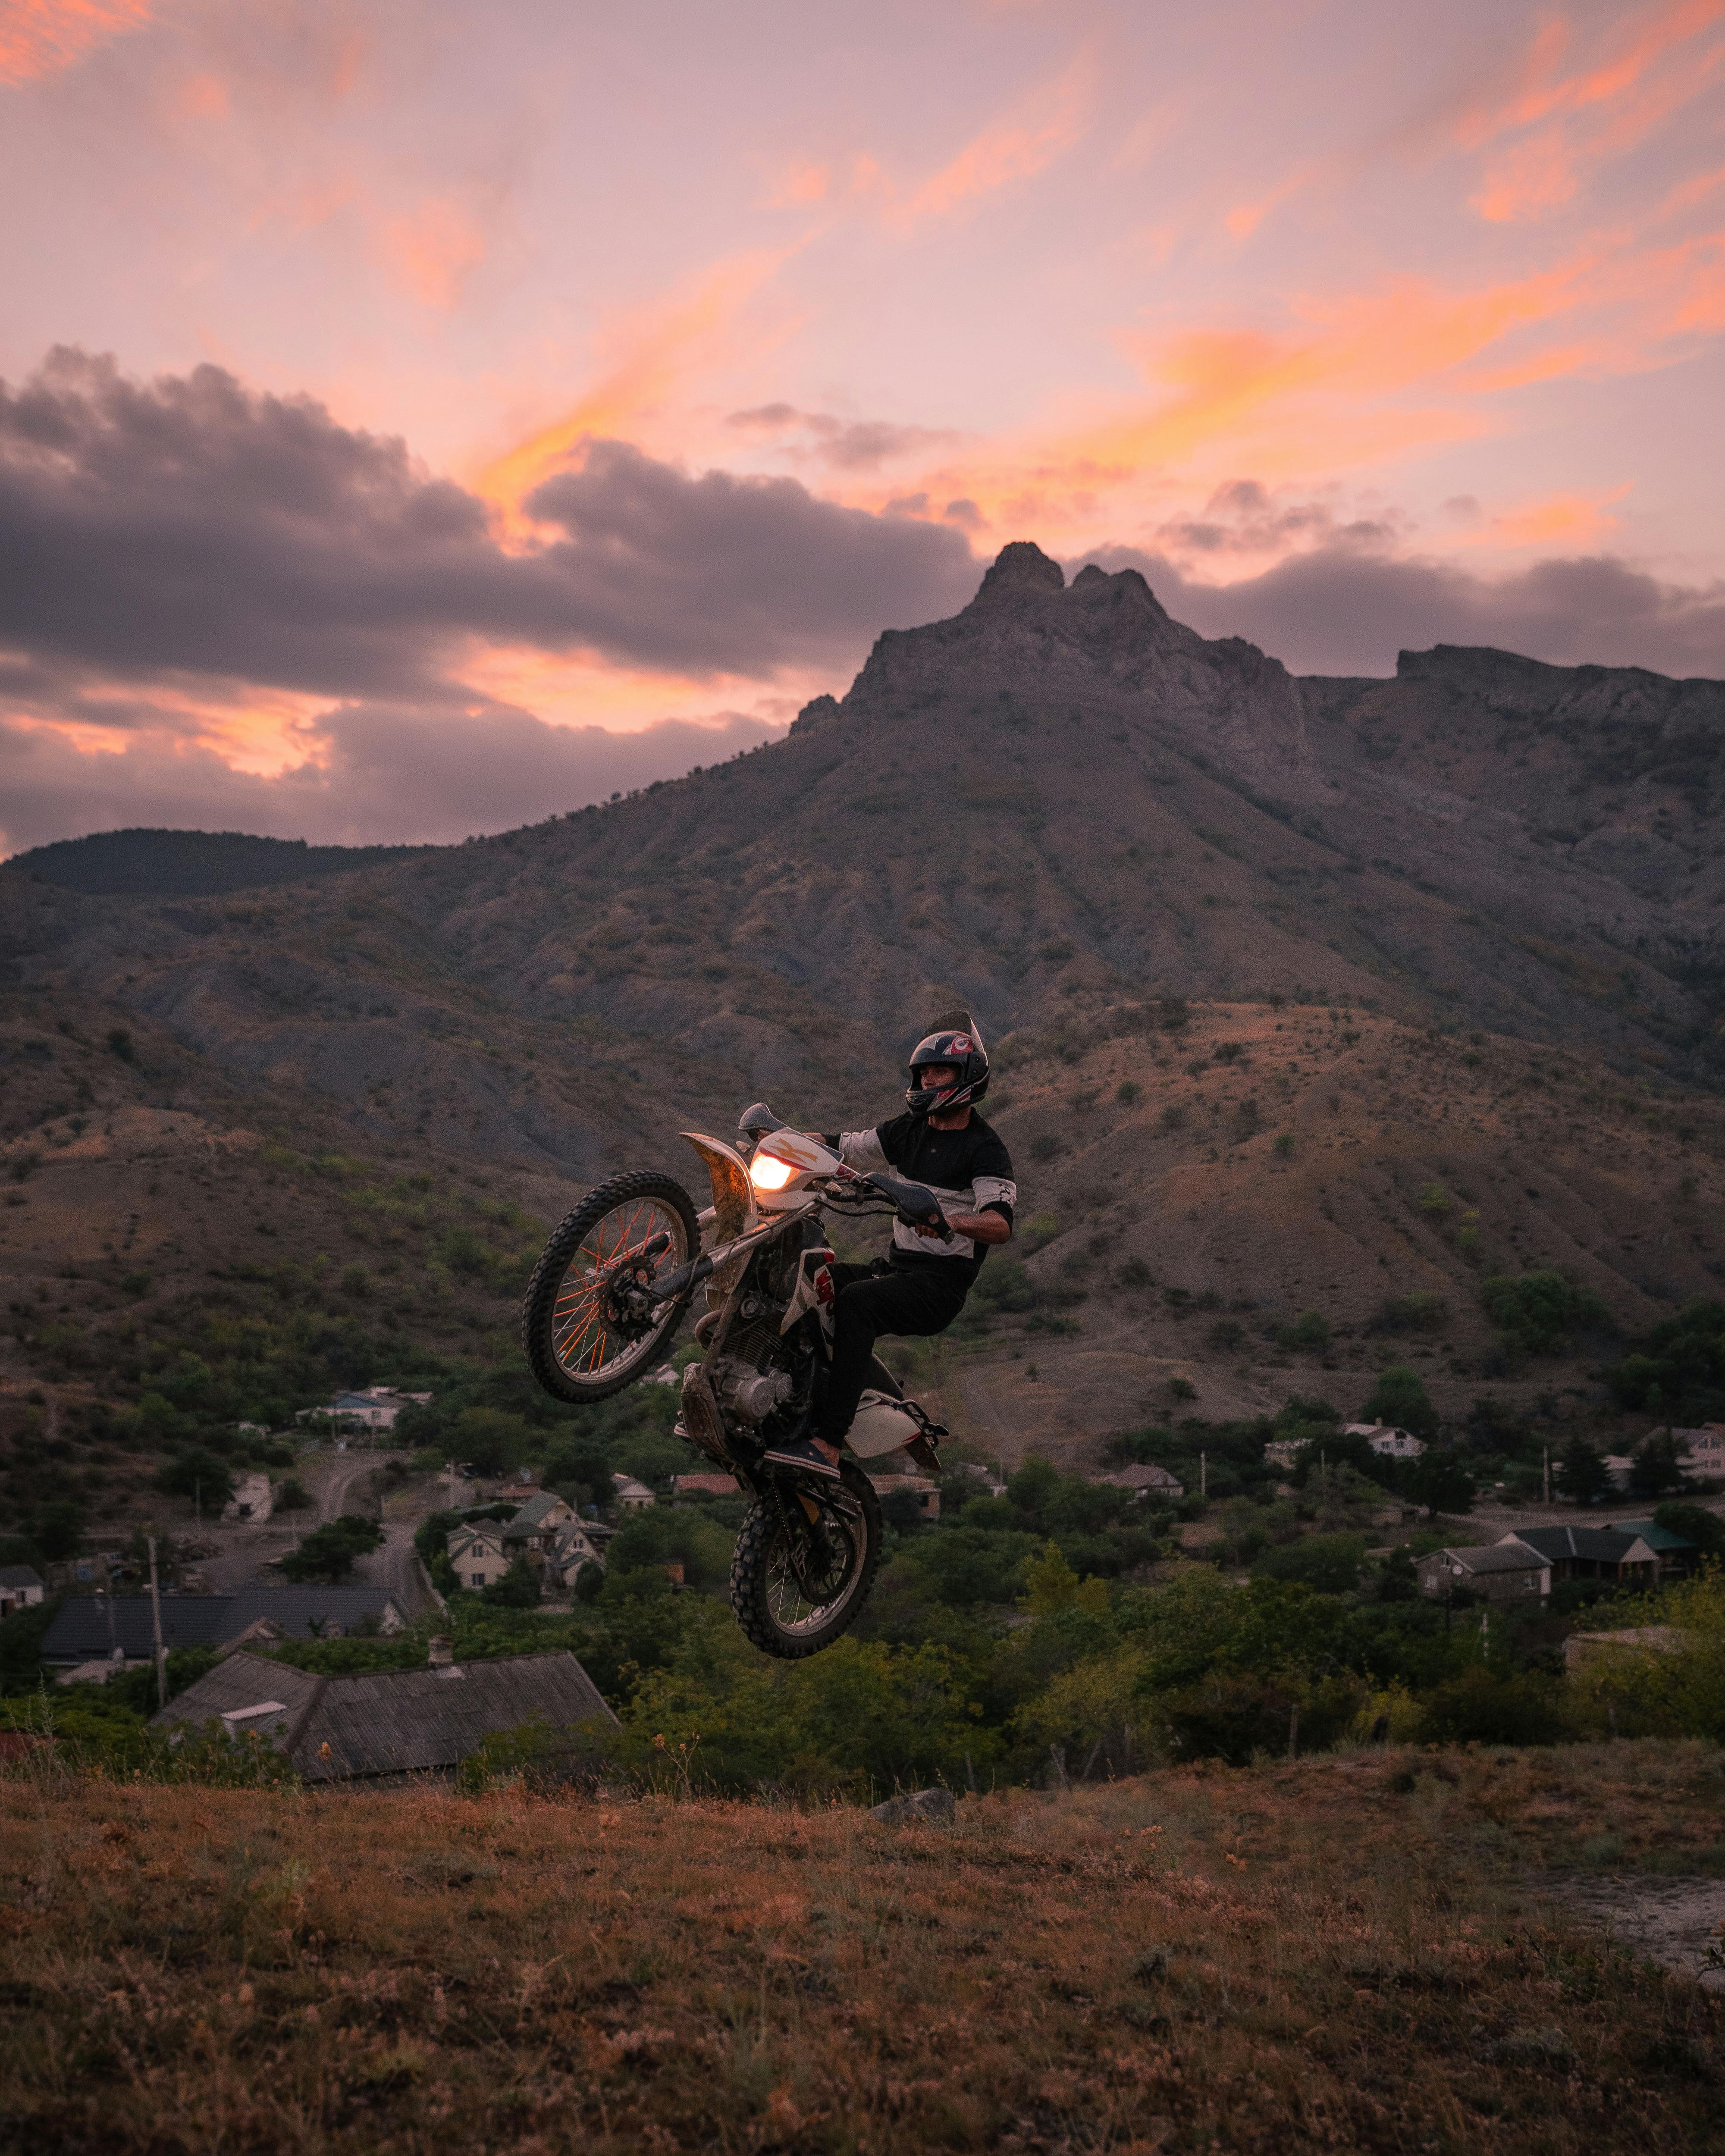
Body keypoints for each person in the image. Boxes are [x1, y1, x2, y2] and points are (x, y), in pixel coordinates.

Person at [764, 1022, 1016, 1479]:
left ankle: (828, 1442)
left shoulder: (985, 1148)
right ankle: (785, 1401)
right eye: (922, 1074)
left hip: (939, 1286)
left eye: (937, 1072)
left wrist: (947, 1220)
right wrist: (781, 1139)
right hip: (896, 1268)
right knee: (807, 1278)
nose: (925, 1082)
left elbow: (999, 1225)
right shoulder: (908, 1129)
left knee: (858, 1302)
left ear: (966, 1076)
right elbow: (845, 1145)